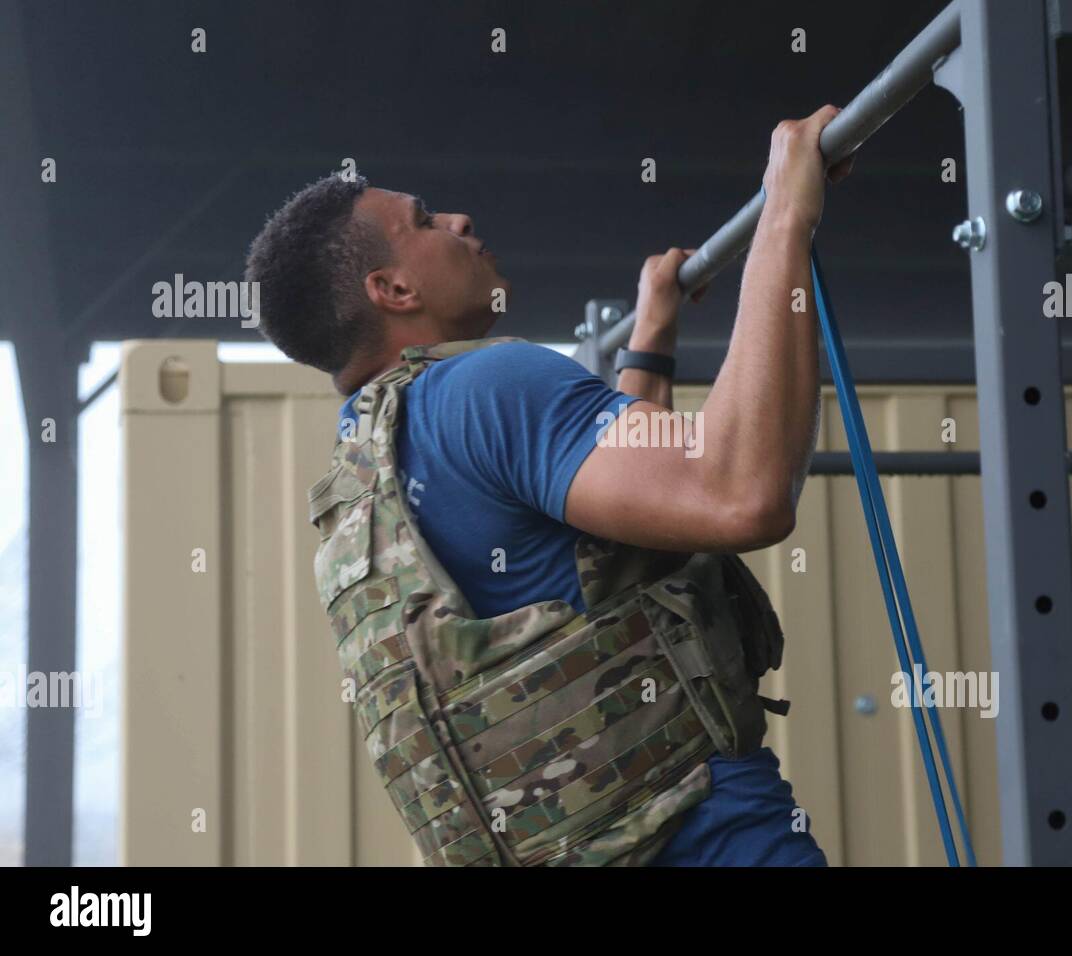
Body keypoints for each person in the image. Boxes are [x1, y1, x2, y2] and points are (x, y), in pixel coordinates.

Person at [245, 105, 854, 865]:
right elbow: (739, 492)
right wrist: (786, 212)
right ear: (393, 288)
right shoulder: (490, 385)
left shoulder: (367, 472)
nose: (460, 221)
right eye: (425, 220)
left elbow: (612, 540)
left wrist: (650, 342)